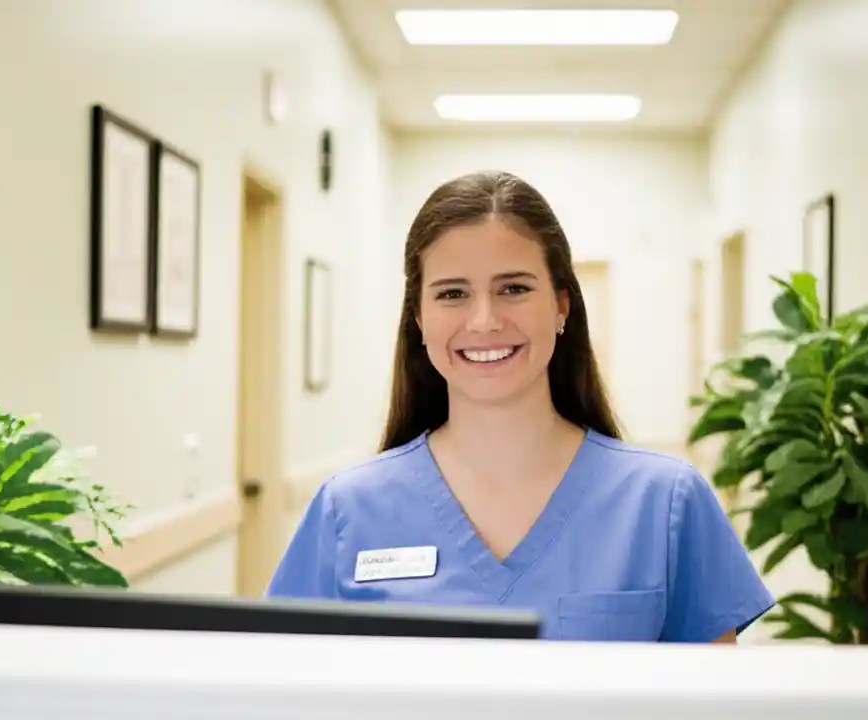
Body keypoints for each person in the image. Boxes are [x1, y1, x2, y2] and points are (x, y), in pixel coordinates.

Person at [266, 170, 774, 643]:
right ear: (418, 318)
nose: (484, 320)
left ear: (560, 305)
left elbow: (713, 705)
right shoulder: (348, 509)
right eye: (452, 293)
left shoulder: (665, 503)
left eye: (513, 288)